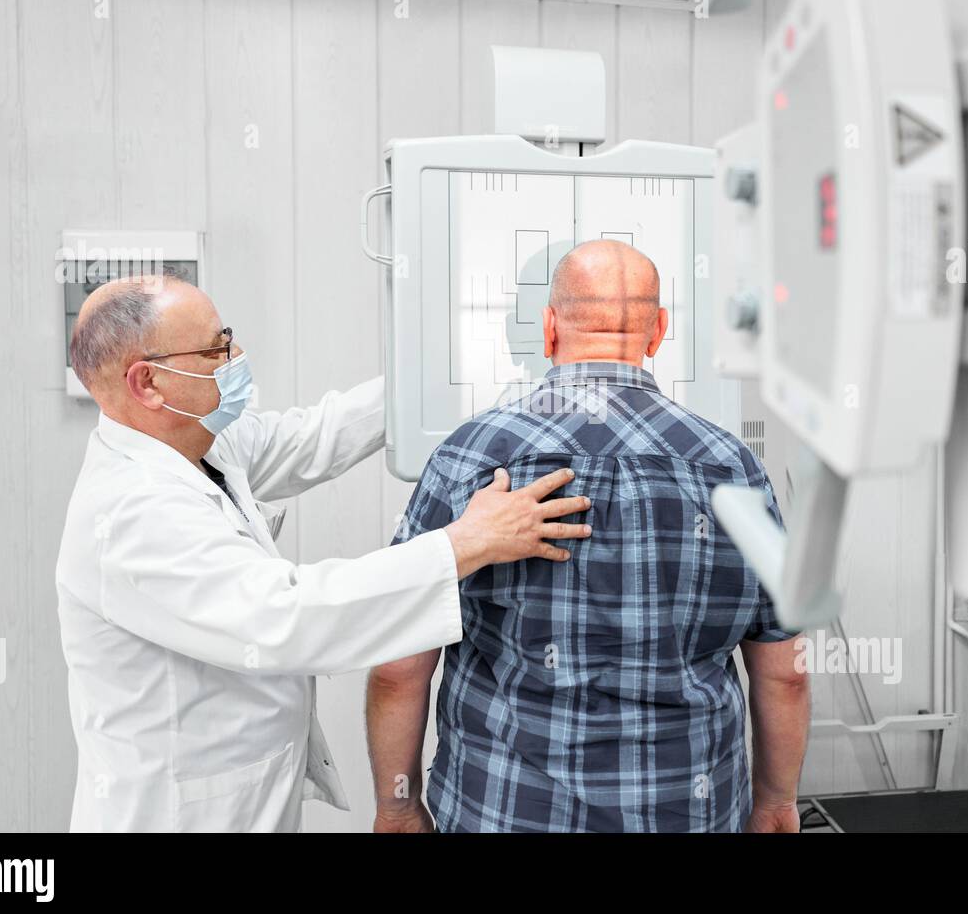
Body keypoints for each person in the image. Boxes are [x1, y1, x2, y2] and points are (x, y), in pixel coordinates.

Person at [56, 273, 590, 831]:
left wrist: (448, 365)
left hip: (246, 798)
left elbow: (317, 435)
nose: (237, 356)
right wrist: (463, 544)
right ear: (148, 384)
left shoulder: (196, 443)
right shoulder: (130, 511)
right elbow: (286, 618)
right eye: (216, 347)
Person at [366, 240, 809, 833]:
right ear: (657, 334)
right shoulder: (733, 467)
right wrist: (776, 804)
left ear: (548, 330)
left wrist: (397, 805)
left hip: (503, 810)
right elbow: (785, 671)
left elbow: (399, 665)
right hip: (687, 811)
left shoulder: (473, 455)